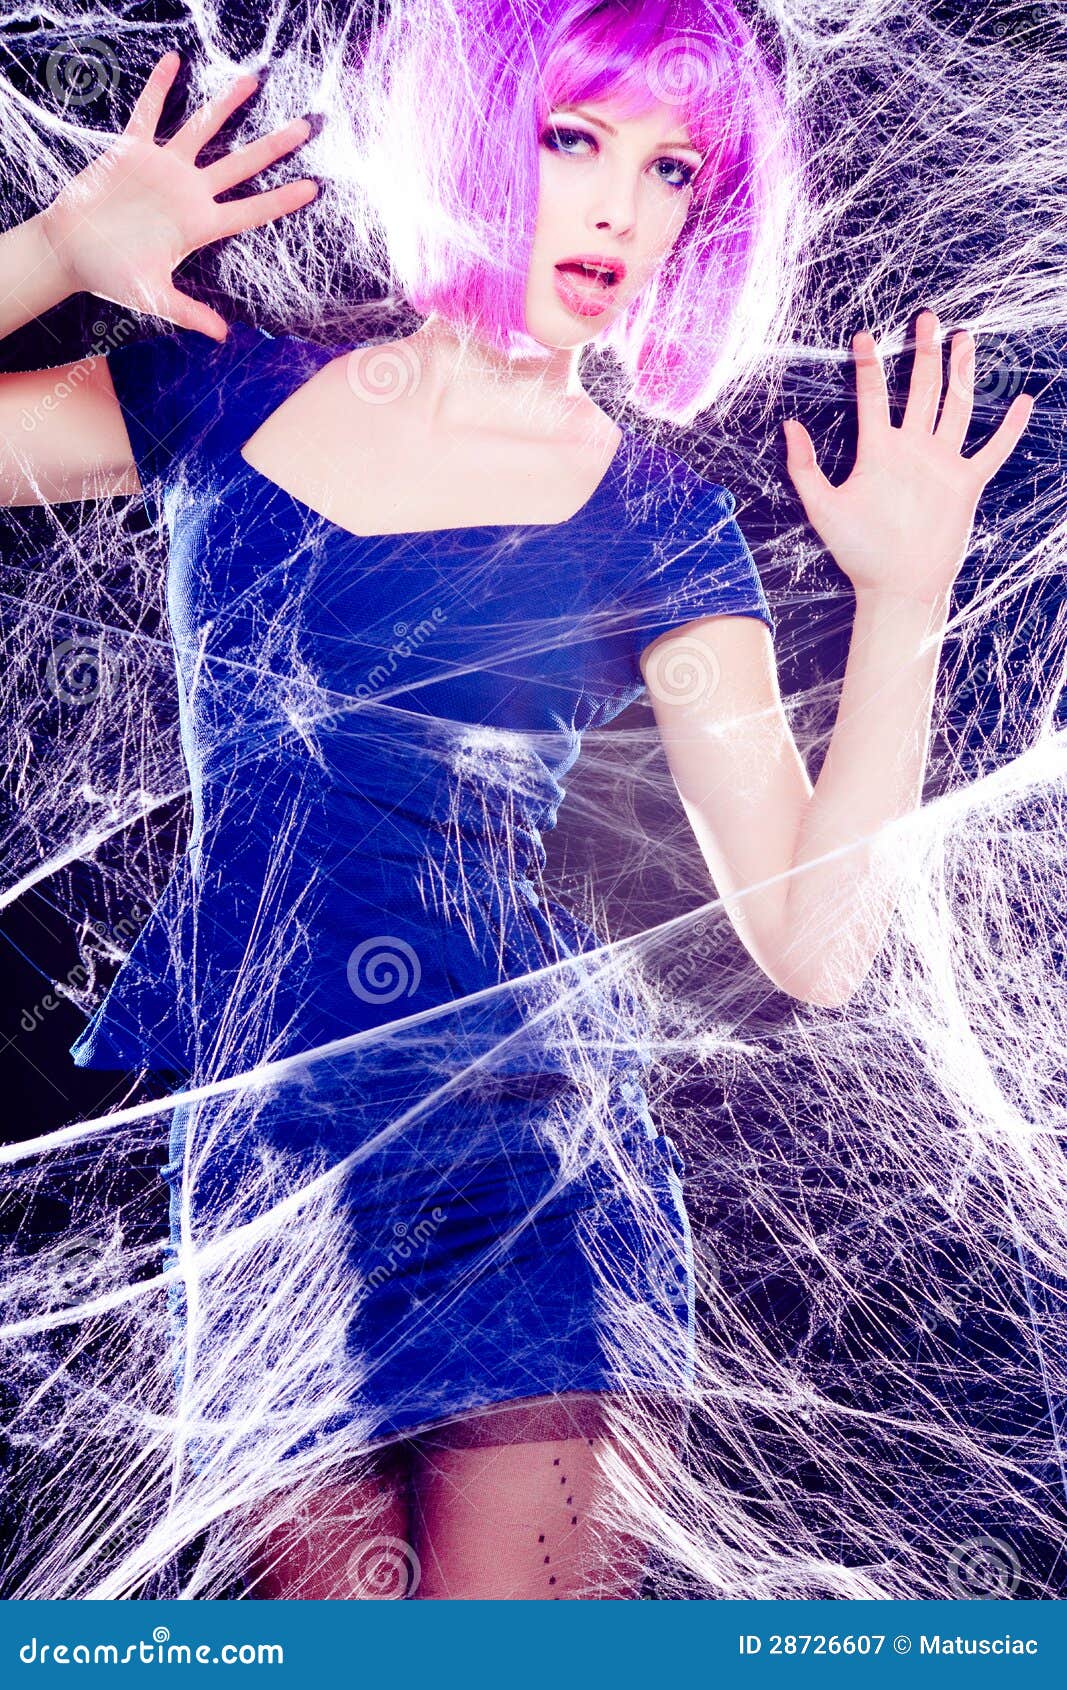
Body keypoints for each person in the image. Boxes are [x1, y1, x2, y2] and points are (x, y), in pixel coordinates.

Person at [0, 0, 1033, 1600]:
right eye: (574, 139)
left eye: (674, 167)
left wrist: (904, 598)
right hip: (267, 1167)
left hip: (533, 1175)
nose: (623, 208)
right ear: (477, 134)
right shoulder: (224, 401)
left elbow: (809, 941)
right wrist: (62, 245)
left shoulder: (660, 526)